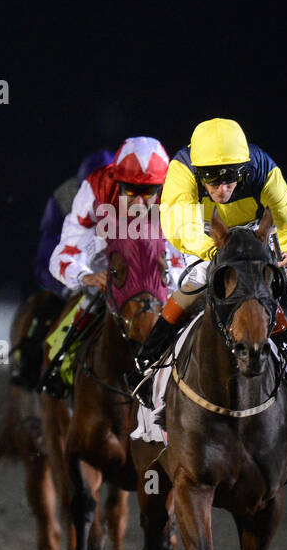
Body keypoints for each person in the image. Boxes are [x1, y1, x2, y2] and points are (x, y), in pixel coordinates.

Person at [132, 117, 287, 402]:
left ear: (243, 170)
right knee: (195, 283)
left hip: (252, 236)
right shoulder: (182, 168)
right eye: (213, 180)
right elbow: (181, 225)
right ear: (198, 172)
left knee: (263, 291)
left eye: (230, 178)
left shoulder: (263, 170)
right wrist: (213, 250)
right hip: (208, 237)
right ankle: (146, 359)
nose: (222, 189)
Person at [37, 136, 185, 397]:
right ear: (116, 181)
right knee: (84, 302)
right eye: (131, 191)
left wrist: (172, 273)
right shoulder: (94, 188)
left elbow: (190, 257)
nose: (139, 203)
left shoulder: (178, 192)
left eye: (148, 192)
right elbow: (61, 254)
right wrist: (84, 275)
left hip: (155, 276)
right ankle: (61, 362)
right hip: (108, 268)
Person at [7, 149, 114, 388]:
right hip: (72, 272)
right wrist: (75, 279)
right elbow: (50, 250)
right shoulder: (65, 198)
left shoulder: (129, 193)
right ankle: (30, 365)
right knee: (46, 314)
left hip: (110, 274)